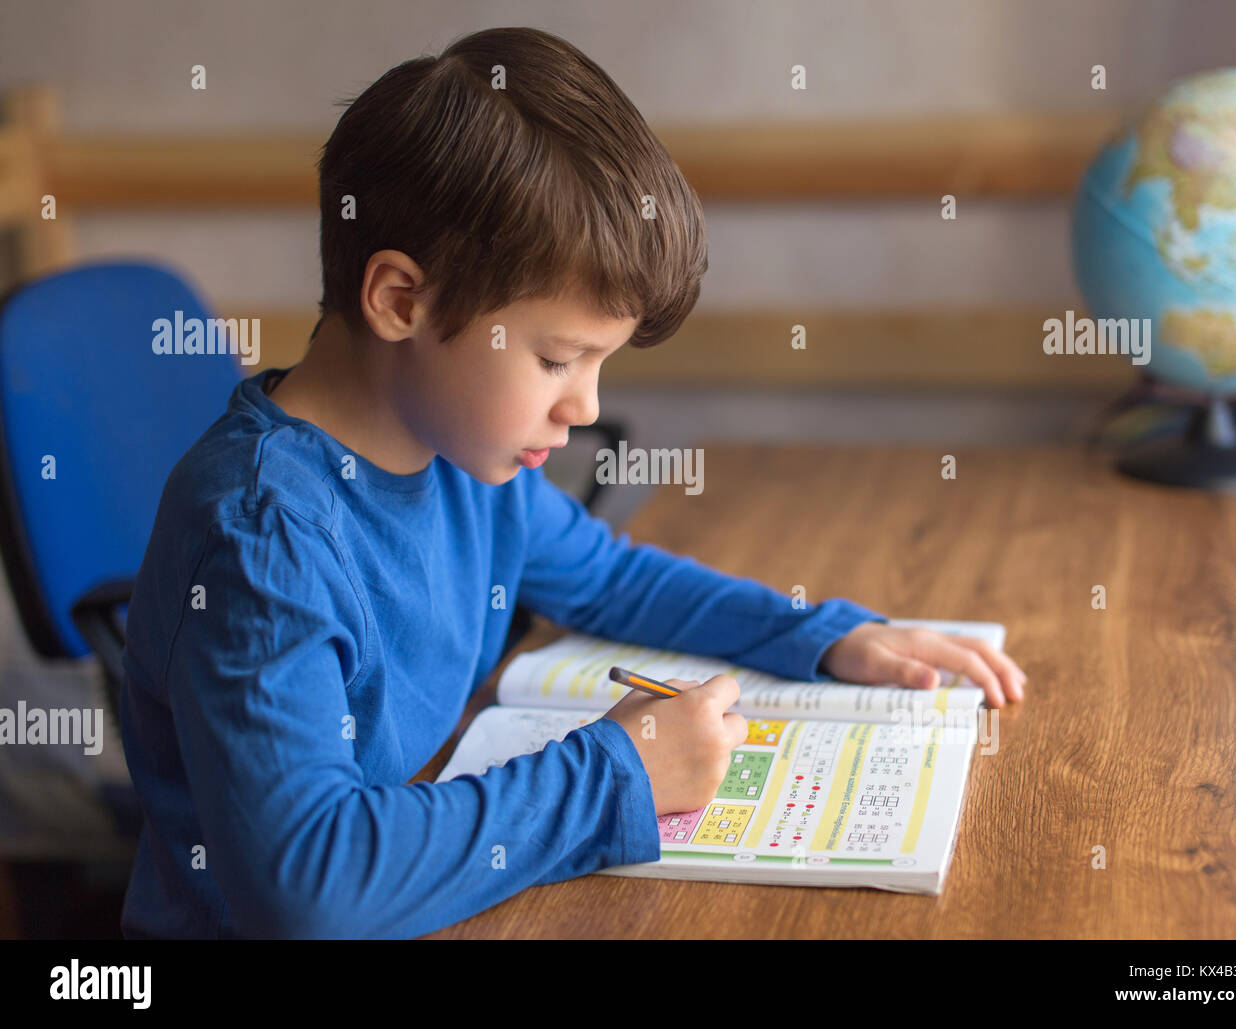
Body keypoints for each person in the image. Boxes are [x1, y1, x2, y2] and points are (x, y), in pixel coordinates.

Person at [119, 26, 1025, 940]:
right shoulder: (262, 535)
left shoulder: (465, 460)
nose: (584, 407)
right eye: (557, 358)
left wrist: (826, 636)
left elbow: (610, 578)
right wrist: (618, 775)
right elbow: (311, 884)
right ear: (400, 300)